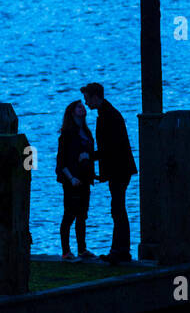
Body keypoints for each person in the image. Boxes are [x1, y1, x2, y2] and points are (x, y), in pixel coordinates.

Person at [81, 82, 137, 264]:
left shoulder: (108, 116)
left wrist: (89, 156)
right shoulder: (108, 113)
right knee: (118, 208)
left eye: (87, 98)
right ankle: (121, 250)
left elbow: (109, 148)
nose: (86, 103)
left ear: (95, 97)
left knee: (118, 209)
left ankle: (120, 250)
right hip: (120, 168)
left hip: (118, 170)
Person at [55, 101, 97, 260]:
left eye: (83, 106)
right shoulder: (67, 134)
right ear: (72, 112)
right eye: (79, 107)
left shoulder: (86, 131)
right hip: (71, 180)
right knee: (69, 214)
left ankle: (82, 248)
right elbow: (61, 162)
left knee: (82, 214)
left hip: (85, 179)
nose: (83, 108)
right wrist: (71, 178)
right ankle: (66, 250)